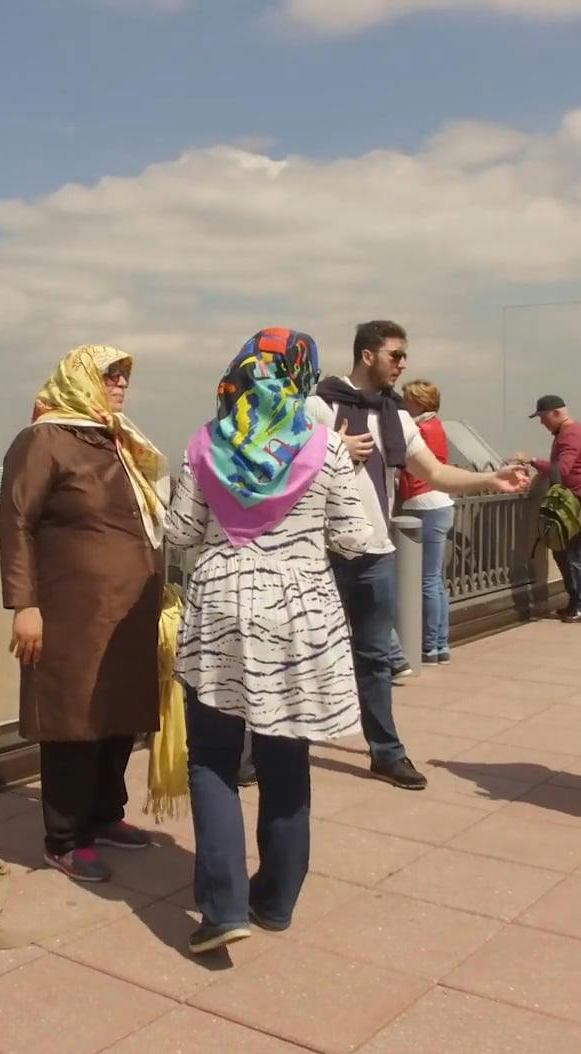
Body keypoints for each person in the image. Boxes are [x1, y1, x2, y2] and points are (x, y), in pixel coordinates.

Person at [164, 327, 373, 953]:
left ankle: (223, 907)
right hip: (300, 612)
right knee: (285, 758)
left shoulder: (206, 444)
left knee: (212, 757)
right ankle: (276, 901)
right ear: (302, 378)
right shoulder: (327, 449)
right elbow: (358, 538)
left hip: (223, 603)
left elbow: (179, 533)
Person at [307, 320, 529, 791]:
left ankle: (386, 753)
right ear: (368, 356)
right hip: (319, 554)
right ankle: (264, 750)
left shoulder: (397, 416)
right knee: (301, 654)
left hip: (374, 554)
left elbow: (435, 472)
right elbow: (283, 459)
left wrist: (492, 480)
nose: (402, 364)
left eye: (404, 355)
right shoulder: (319, 405)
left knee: (373, 659)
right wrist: (330, 447)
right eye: (395, 355)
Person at [0, 345, 163, 884]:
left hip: (127, 609)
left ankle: (105, 815)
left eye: (123, 377)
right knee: (74, 720)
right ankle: (65, 837)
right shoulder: (44, 440)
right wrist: (24, 604)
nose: (119, 385)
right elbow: (17, 522)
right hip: (71, 609)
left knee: (118, 717)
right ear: (79, 379)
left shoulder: (114, 439)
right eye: (109, 376)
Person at [395, 379, 455, 665]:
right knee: (436, 580)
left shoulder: (418, 429)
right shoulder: (438, 426)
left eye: (407, 399)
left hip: (422, 504)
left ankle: (429, 645)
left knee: (426, 580)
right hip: (442, 504)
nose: (404, 404)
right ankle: (440, 644)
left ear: (419, 402)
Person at [528, 394, 581, 623]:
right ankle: (575, 602)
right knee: (564, 554)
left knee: (578, 555)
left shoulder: (570, 435)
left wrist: (532, 461)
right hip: (571, 503)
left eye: (543, 417)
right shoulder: (569, 433)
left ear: (557, 413)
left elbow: (563, 470)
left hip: (575, 504)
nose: (542, 423)